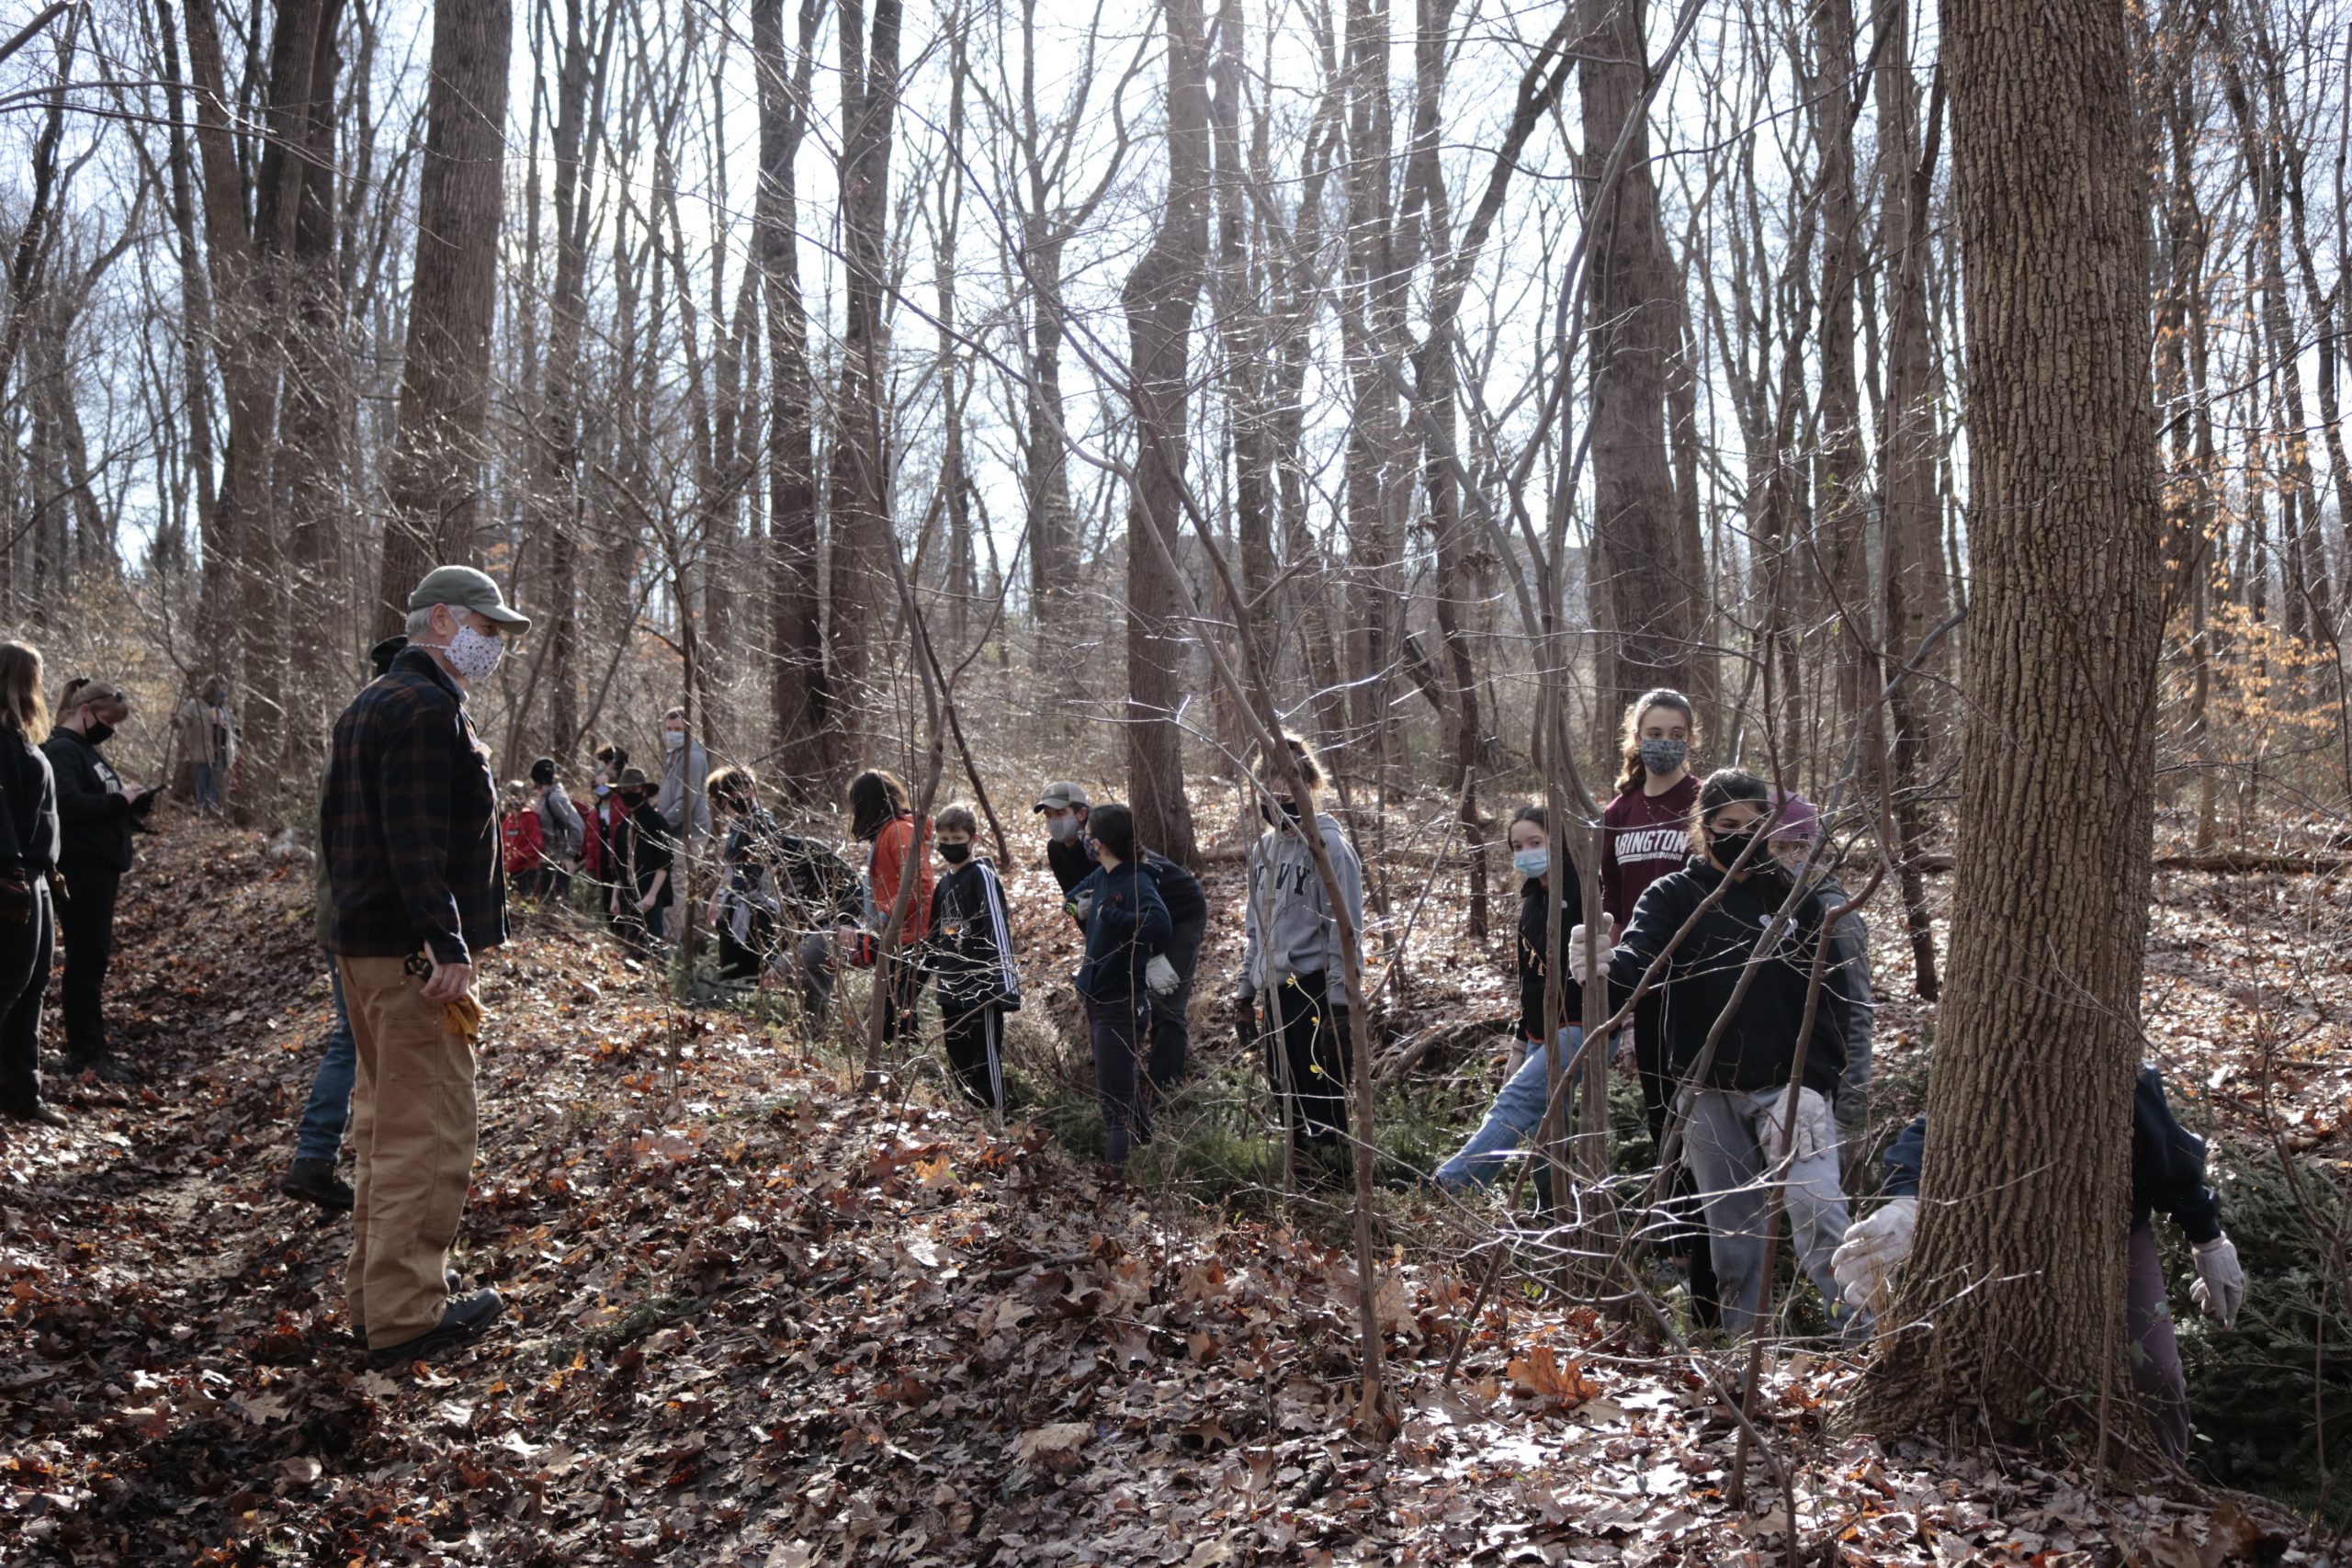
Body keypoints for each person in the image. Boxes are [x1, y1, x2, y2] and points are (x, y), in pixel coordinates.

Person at [1570, 767, 1859, 1339]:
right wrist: (1597, 966)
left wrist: (1814, 1087)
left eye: (1753, 826)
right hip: (1706, 1095)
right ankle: (1743, 1357)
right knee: (1733, 1246)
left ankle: (1867, 1339)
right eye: (1726, 825)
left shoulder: (1796, 900)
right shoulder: (1674, 894)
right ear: (1703, 827)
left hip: (1789, 1092)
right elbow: (1636, 969)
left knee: (1821, 1213)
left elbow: (1832, 1004)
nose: (1740, 836)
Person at [321, 564, 524, 1369]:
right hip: (410, 958)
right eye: (487, 628)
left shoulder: (372, 701)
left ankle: (376, 1299)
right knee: (428, 1130)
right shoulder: (421, 709)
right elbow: (413, 840)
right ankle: (407, 1313)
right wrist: (446, 942)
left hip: (363, 948)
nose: (495, 645)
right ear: (441, 621)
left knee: (382, 1128)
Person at [1832, 1067, 2244, 1464]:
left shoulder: (2126, 1073)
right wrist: (1909, 1201)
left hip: (2114, 1237)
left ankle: (2165, 1479)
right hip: (1998, 1238)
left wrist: (2207, 1237)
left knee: (2156, 1376)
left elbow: (2172, 1161)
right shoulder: (1990, 1058)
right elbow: (1935, 1132)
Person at [281, 634, 408, 1213]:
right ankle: (318, 1158)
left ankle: (321, 1157)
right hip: (359, 918)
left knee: (351, 1037)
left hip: (342, 912)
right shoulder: (375, 728)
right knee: (352, 1038)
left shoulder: (353, 725)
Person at [1600, 688, 1715, 1320]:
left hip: (1698, 984)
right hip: (1643, 991)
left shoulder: (1701, 802)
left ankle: (1709, 1255)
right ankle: (1676, 1248)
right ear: (1636, 737)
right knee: (1659, 1119)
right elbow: (1614, 908)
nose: (1664, 739)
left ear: (1689, 738)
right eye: (1654, 729)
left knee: (1696, 1117)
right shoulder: (1618, 812)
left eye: (1676, 730)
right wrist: (1619, 1014)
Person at [1433, 804, 1588, 1190]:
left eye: (1535, 842)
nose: (1527, 853)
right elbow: (1529, 984)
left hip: (1581, 1026)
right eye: (1518, 846)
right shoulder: (1532, 902)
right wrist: (1520, 1042)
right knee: (1547, 1133)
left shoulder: (1584, 891)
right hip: (1540, 1034)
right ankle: (1557, 1220)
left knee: (1515, 1102)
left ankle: (1451, 1185)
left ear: (1558, 842)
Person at [1234, 735, 1366, 1159]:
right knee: (1284, 1091)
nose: (1275, 793)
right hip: (1273, 993)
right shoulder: (1262, 851)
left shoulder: (1328, 848)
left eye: (1286, 783)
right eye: (1267, 783)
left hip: (1313, 992)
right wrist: (1244, 993)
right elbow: (1257, 929)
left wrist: (1340, 1007)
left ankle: (1337, 1181)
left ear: (1308, 785)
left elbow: (1346, 933)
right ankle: (1303, 1178)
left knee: (1321, 1094)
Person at [44, 677, 153, 1083]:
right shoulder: (61, 751)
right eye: (109, 720)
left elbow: (100, 804)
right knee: (85, 961)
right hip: (80, 869)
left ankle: (92, 1049)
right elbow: (67, 805)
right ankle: (85, 1054)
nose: (113, 730)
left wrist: (132, 806)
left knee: (92, 959)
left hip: (100, 868)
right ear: (85, 712)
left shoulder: (86, 752)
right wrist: (118, 800)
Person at [1765, 793, 1874, 1154]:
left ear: (1816, 848)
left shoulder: (1836, 915)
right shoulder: (1773, 906)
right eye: (1777, 846)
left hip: (1829, 1096)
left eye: (1798, 846)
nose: (1788, 858)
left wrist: (1850, 1110)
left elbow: (1856, 1012)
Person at [1069, 803, 1170, 1169]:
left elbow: (1160, 925)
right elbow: (1070, 899)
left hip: (1122, 1003)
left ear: (1102, 842)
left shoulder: (1137, 881)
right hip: (1096, 999)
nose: (1084, 840)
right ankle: (1153, 1155)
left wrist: (1110, 915)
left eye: (1089, 835)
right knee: (1123, 1088)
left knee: (1115, 1107)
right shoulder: (1100, 878)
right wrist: (1077, 911)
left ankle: (1114, 1191)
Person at [0, 644, 62, 1128]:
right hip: (14, 878)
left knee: (34, 984)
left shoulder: (22, 738)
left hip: (37, 877)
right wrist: (12, 869)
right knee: (9, 982)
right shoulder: (1, 740)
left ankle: (22, 1089)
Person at [925, 804, 1021, 1111]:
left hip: (982, 990)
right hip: (951, 988)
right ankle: (970, 1120)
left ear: (973, 839)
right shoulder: (943, 884)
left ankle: (995, 1122)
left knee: (985, 1058)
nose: (951, 845)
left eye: (957, 838)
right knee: (958, 1058)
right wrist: (911, 988)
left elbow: (996, 926)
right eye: (945, 839)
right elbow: (936, 937)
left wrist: (1005, 986)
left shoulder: (981, 875)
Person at [1136, 843, 1205, 1093]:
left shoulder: (1136, 870)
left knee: (1167, 1002)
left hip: (1183, 913)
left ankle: (1167, 1091)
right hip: (1143, 925)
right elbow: (1072, 901)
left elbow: (1155, 917)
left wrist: (1154, 956)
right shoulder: (1063, 855)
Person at [706, 766, 783, 981]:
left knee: (752, 971)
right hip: (734, 905)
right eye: (730, 794)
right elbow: (731, 867)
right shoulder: (737, 824)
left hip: (760, 911)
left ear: (751, 789)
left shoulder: (763, 821)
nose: (736, 797)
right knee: (730, 969)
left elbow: (774, 861)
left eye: (740, 790)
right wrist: (716, 898)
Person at [606, 767, 673, 953]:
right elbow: (618, 866)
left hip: (650, 895)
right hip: (628, 896)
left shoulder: (657, 822)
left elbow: (665, 862)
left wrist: (652, 895)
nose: (629, 794)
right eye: (624, 791)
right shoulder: (623, 825)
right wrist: (615, 898)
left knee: (652, 946)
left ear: (644, 791)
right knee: (632, 947)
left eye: (634, 790)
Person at [175, 673, 236, 816]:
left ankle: (210, 810)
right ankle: (203, 810)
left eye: (224, 689)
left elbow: (231, 730)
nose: (222, 692)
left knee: (216, 784)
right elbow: (182, 719)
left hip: (221, 753)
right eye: (219, 688)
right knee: (202, 782)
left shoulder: (224, 709)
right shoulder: (195, 706)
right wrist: (176, 721)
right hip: (201, 753)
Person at [656, 708, 713, 858]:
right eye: (669, 729)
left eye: (678, 729)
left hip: (689, 833)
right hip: (675, 832)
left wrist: (662, 825)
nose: (672, 733)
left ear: (688, 730)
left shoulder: (692, 757)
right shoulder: (674, 754)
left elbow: (686, 801)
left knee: (679, 880)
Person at [531, 758, 584, 904]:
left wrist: (569, 855)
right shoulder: (545, 797)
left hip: (559, 864)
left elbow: (578, 826)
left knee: (559, 908)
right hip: (547, 863)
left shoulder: (556, 798)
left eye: (537, 781)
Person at [1035, 782, 1093, 896]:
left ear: (1081, 814)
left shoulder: (1099, 844)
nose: (1053, 821)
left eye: (1060, 813)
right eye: (1048, 815)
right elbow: (1070, 896)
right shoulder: (1054, 848)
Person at [500, 784, 544, 896]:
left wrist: (516, 857)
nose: (516, 802)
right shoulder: (507, 821)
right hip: (510, 872)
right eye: (512, 798)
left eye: (519, 798)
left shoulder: (531, 818)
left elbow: (535, 846)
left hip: (526, 871)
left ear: (526, 798)